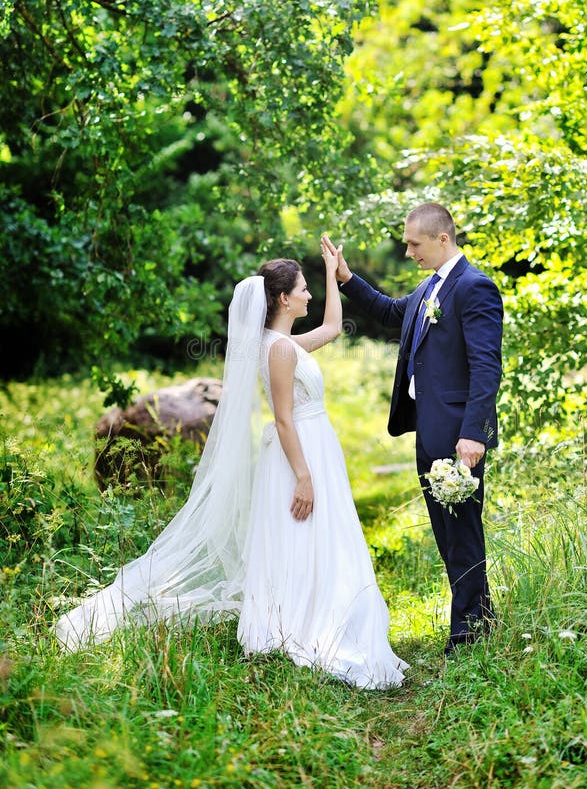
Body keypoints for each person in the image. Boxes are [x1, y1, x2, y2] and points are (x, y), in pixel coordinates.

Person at [54, 239, 408, 690]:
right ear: (283, 299)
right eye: (303, 289)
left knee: (316, 536)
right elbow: (282, 419)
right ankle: (303, 621)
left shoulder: (282, 343)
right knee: (307, 533)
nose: (309, 296)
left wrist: (330, 270)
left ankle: (309, 609)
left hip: (316, 446)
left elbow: (335, 327)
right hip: (300, 451)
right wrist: (303, 476)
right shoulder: (278, 350)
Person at [324, 204, 503, 656]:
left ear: (443, 239)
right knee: (447, 534)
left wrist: (475, 433)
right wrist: (346, 278)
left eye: (414, 244)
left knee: (462, 532)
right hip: (428, 431)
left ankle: (468, 633)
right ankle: (481, 616)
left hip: (460, 437)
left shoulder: (474, 288)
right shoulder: (429, 289)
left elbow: (487, 367)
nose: (407, 252)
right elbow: (388, 312)